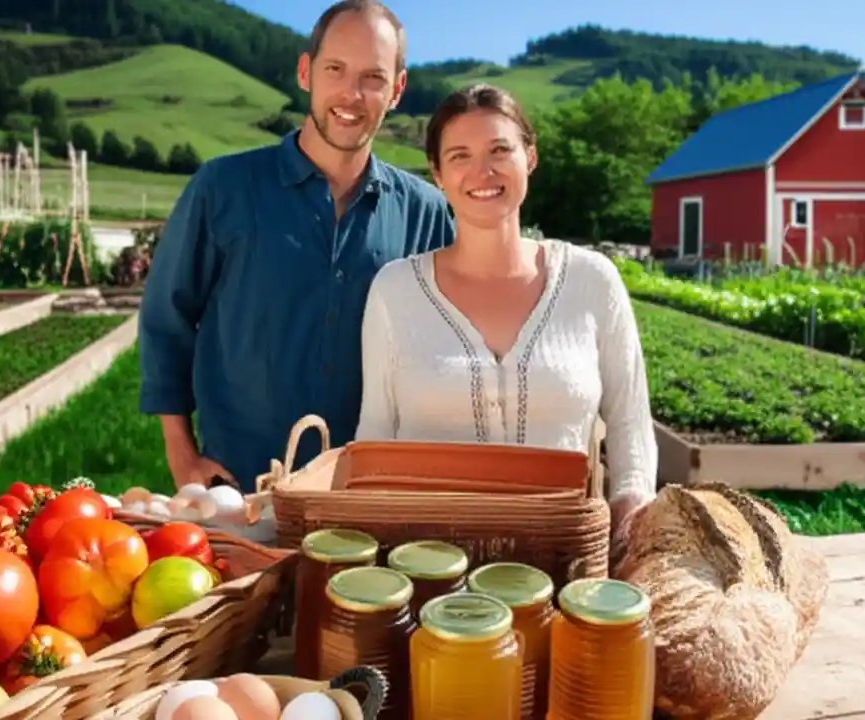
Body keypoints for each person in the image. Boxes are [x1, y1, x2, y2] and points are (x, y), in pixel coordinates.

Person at [138, 0, 455, 493]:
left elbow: (448, 347)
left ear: (397, 90)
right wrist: (182, 455)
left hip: (370, 492)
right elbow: (166, 320)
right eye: (335, 69)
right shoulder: (222, 187)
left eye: (373, 77)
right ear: (306, 72)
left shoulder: (426, 212)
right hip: (237, 485)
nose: (351, 94)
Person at [354, 83, 659, 550]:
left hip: (566, 565)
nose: (483, 170)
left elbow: (630, 424)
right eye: (459, 156)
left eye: (501, 149)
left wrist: (628, 523)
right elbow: (374, 434)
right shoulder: (395, 291)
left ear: (529, 158)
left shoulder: (591, 281)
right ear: (437, 173)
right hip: (427, 569)